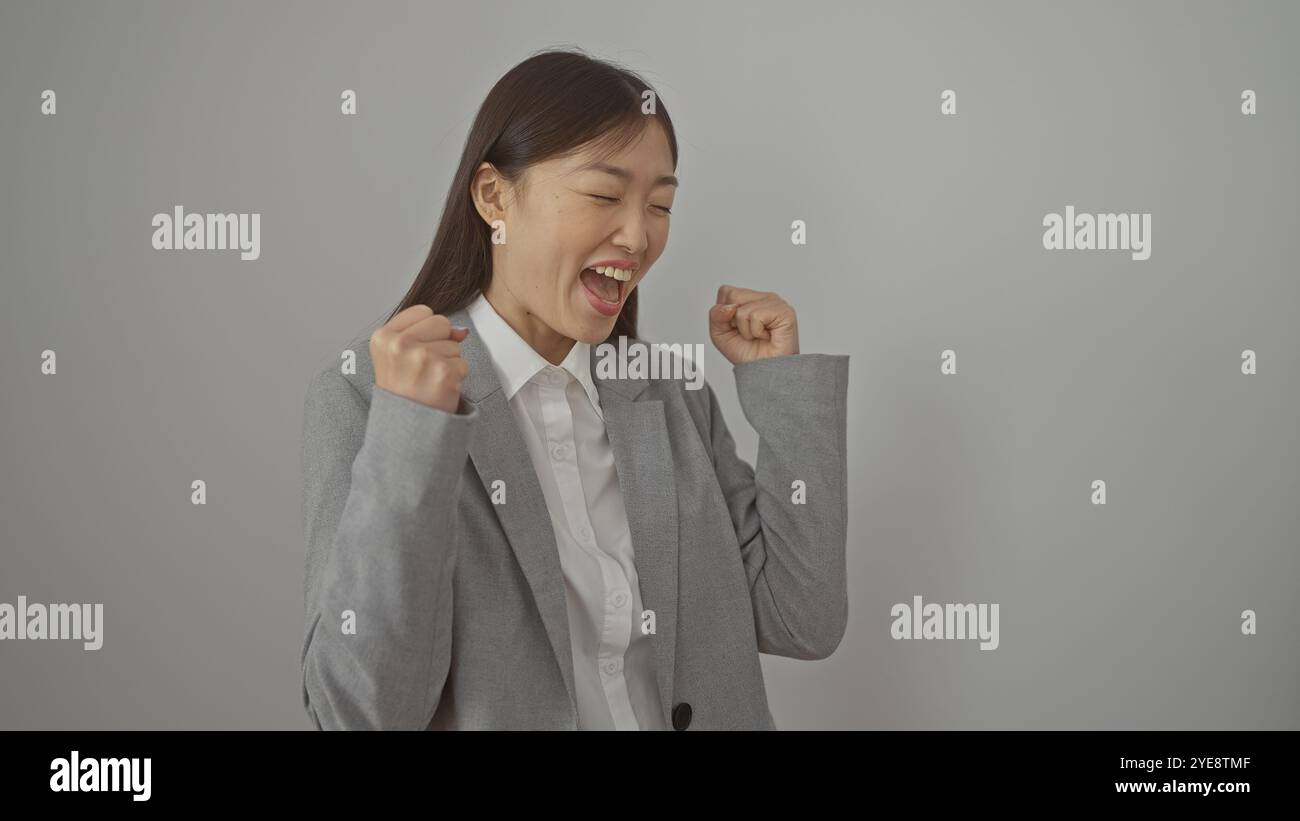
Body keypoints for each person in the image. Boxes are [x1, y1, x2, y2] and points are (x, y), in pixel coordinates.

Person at [300, 47, 850, 730]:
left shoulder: (668, 393)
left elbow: (803, 617)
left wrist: (782, 391)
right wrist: (412, 437)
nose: (637, 234)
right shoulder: (369, 397)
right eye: (603, 195)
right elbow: (362, 712)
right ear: (494, 197)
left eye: (660, 205)